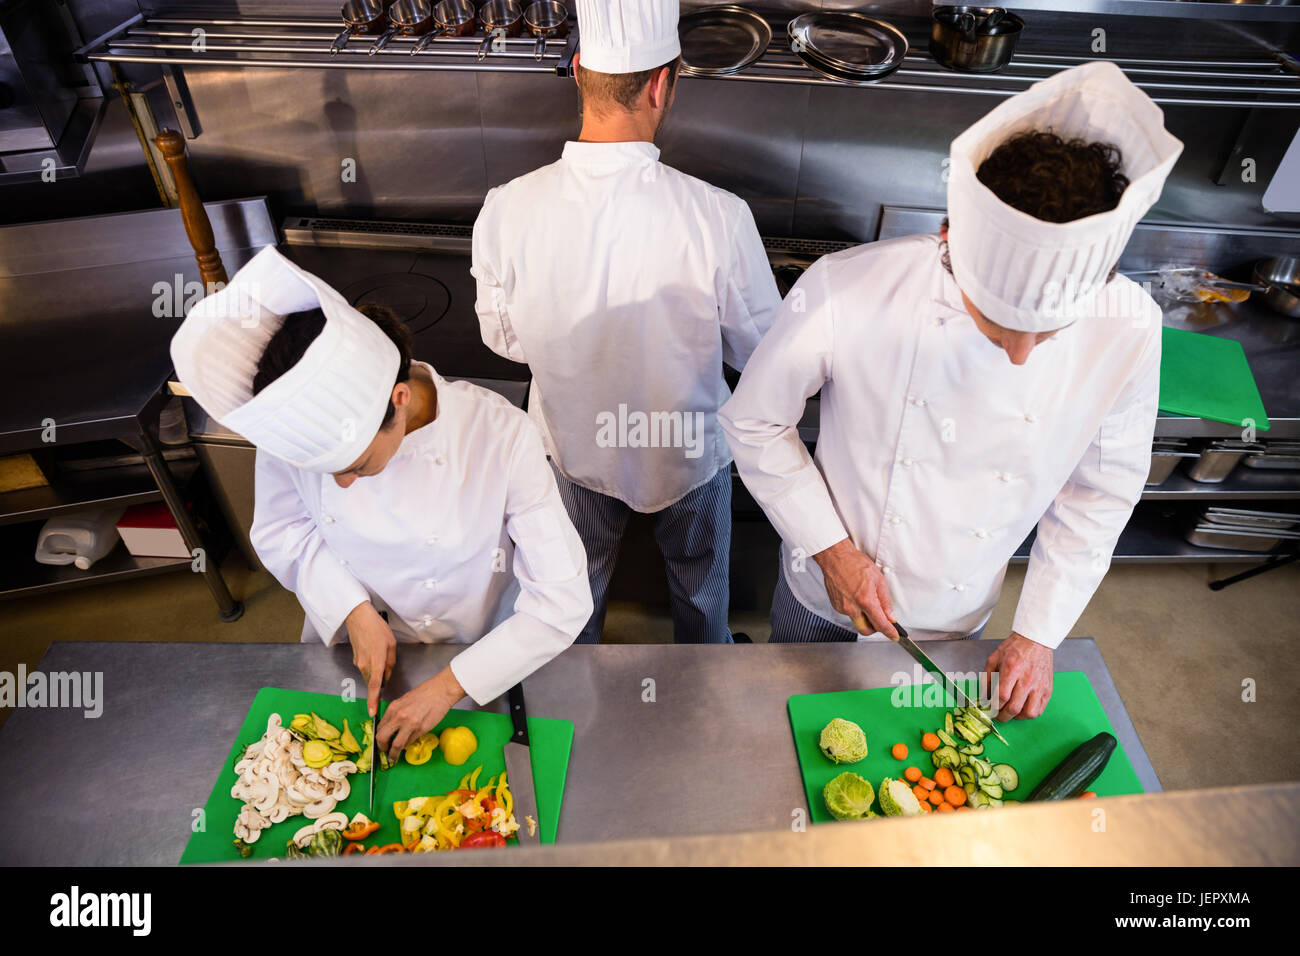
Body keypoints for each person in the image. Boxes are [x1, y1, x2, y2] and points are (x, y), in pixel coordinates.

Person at [719, 62, 1183, 719]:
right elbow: (754, 422)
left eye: (1045, 334)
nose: (1021, 357)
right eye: (997, 329)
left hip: (962, 608)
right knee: (782, 720)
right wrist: (832, 549)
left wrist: (1038, 630)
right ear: (948, 242)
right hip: (822, 590)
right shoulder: (848, 287)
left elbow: (1099, 490)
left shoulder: (1131, 327)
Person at [170, 246, 592, 759]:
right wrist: (352, 609)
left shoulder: (501, 435)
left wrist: (446, 687)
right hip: (350, 648)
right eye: (331, 473)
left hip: (475, 651)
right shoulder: (299, 429)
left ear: (400, 399)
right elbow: (285, 530)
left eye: (359, 466)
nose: (343, 485)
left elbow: (562, 600)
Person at [470, 0, 781, 645]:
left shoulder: (505, 208)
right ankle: (704, 684)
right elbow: (764, 356)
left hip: (571, 451)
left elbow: (502, 340)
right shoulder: (720, 216)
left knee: (569, 610)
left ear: (579, 69)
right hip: (688, 458)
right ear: (663, 82)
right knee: (701, 604)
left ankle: (569, 718)